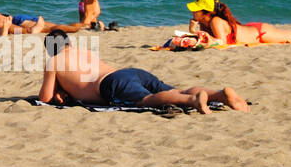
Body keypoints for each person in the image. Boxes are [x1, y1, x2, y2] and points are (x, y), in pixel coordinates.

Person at [37, 30, 248, 113]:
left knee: (148, 100)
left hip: (112, 85)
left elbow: (45, 98)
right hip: (129, 72)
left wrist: (57, 92)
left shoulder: (54, 61)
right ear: (69, 42)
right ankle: (219, 94)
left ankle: (194, 100)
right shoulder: (81, 50)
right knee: (177, 90)